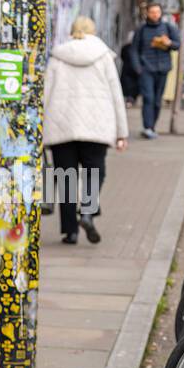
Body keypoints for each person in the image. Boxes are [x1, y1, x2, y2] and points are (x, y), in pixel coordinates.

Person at [43, 16, 128, 246]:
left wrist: (39, 128)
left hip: (62, 124)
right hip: (97, 125)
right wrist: (122, 132)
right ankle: (88, 213)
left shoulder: (58, 56)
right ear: (93, 31)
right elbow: (116, 96)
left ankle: (70, 232)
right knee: (94, 172)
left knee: (66, 178)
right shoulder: (103, 56)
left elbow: (45, 93)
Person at [133, 2, 180, 138]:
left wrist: (169, 43)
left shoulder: (168, 28)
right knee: (148, 98)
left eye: (157, 12)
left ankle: (152, 126)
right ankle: (147, 127)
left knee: (157, 100)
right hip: (146, 69)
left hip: (163, 69)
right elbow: (134, 49)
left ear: (161, 13)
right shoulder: (141, 29)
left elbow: (177, 44)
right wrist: (138, 68)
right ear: (147, 13)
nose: (155, 14)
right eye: (152, 12)